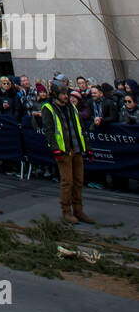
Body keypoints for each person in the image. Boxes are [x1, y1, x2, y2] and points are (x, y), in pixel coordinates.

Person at [41, 81, 95, 225]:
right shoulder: (48, 108)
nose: (66, 96)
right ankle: (67, 211)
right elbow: (49, 130)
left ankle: (79, 210)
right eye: (63, 94)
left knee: (78, 181)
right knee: (67, 182)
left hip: (77, 148)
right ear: (55, 94)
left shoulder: (72, 107)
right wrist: (55, 149)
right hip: (64, 151)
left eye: (67, 93)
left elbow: (81, 128)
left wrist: (87, 147)